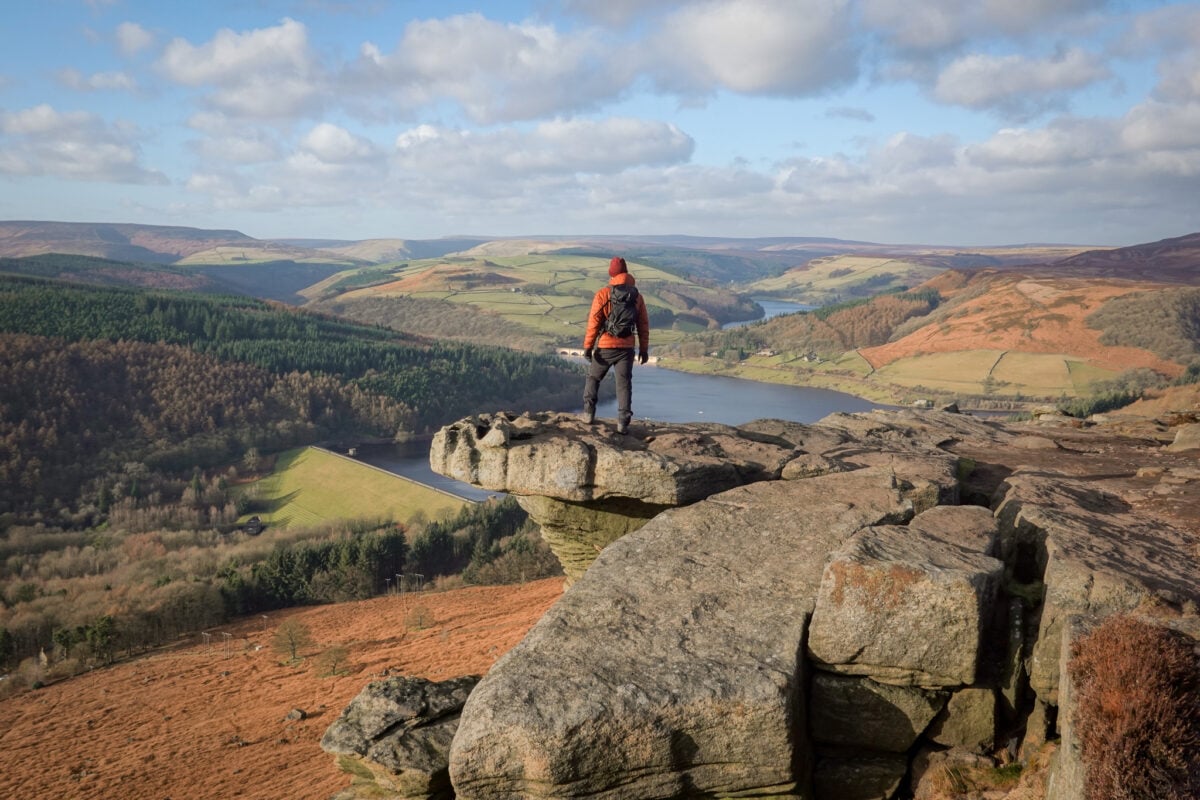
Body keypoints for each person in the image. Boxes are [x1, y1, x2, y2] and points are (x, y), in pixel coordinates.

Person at [581, 256, 650, 434]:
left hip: (605, 346)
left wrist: (588, 347)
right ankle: (623, 424)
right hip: (626, 347)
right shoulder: (637, 297)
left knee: (593, 378)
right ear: (626, 273)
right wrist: (643, 349)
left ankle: (588, 414)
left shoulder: (603, 294)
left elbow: (594, 323)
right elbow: (643, 324)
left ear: (611, 274)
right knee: (624, 384)